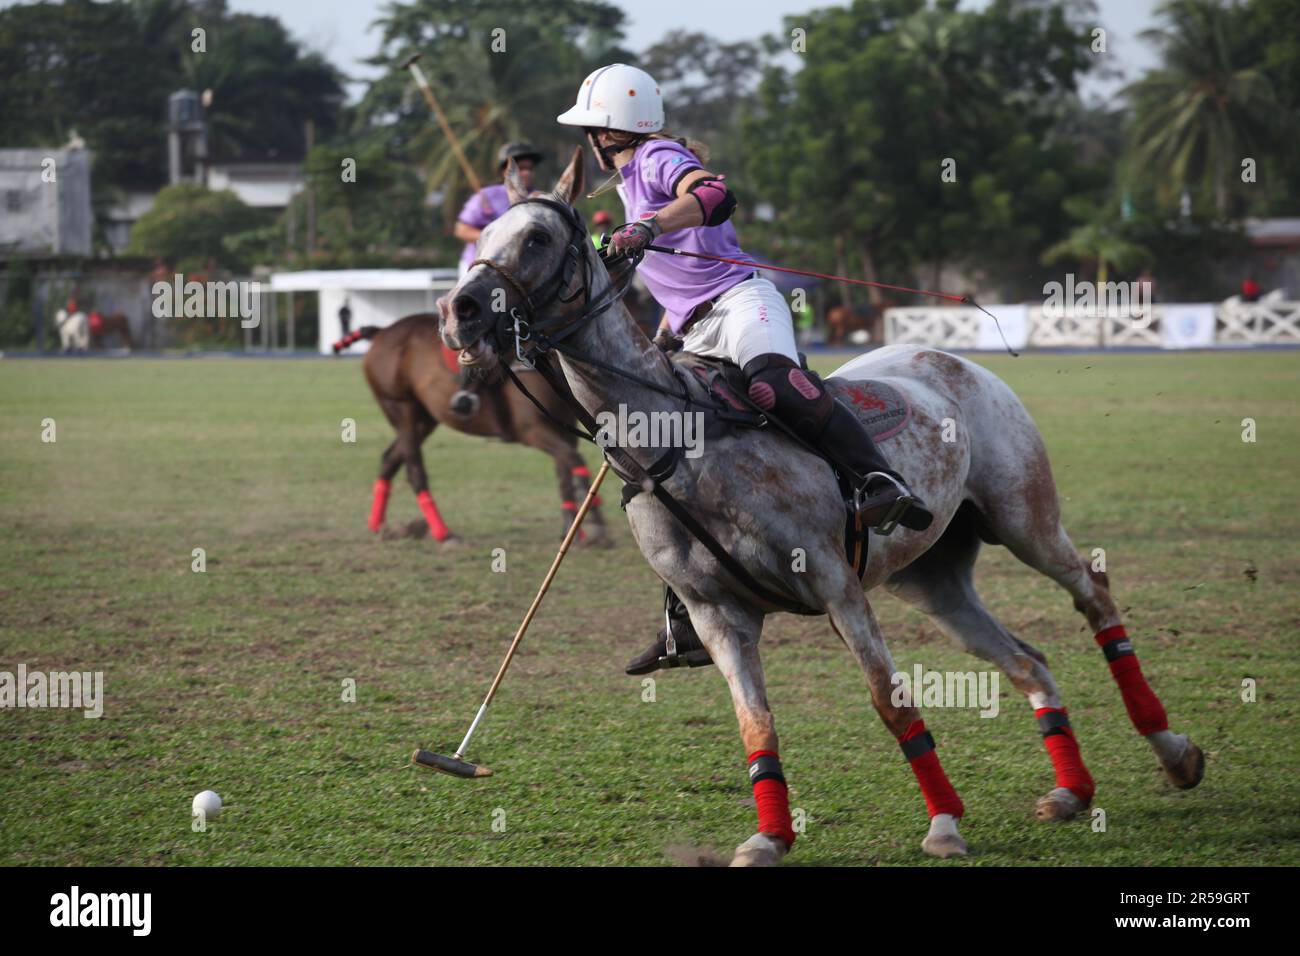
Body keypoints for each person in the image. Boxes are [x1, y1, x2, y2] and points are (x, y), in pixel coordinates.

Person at [555, 64, 933, 675]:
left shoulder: (657, 155)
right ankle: (685, 618)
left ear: (612, 129)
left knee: (774, 383)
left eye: (593, 126)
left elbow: (712, 196)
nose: (591, 139)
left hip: (741, 301)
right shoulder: (626, 180)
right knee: (653, 448)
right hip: (693, 326)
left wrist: (646, 226)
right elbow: (676, 282)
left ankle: (879, 482)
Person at [449, 142, 543, 415]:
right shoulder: (487, 197)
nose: (525, 173)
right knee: (476, 320)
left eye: (528, 168)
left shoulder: (536, 198)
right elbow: (461, 228)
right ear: (505, 171)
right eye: (519, 167)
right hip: (478, 269)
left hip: (520, 274)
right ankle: (466, 389)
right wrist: (496, 237)